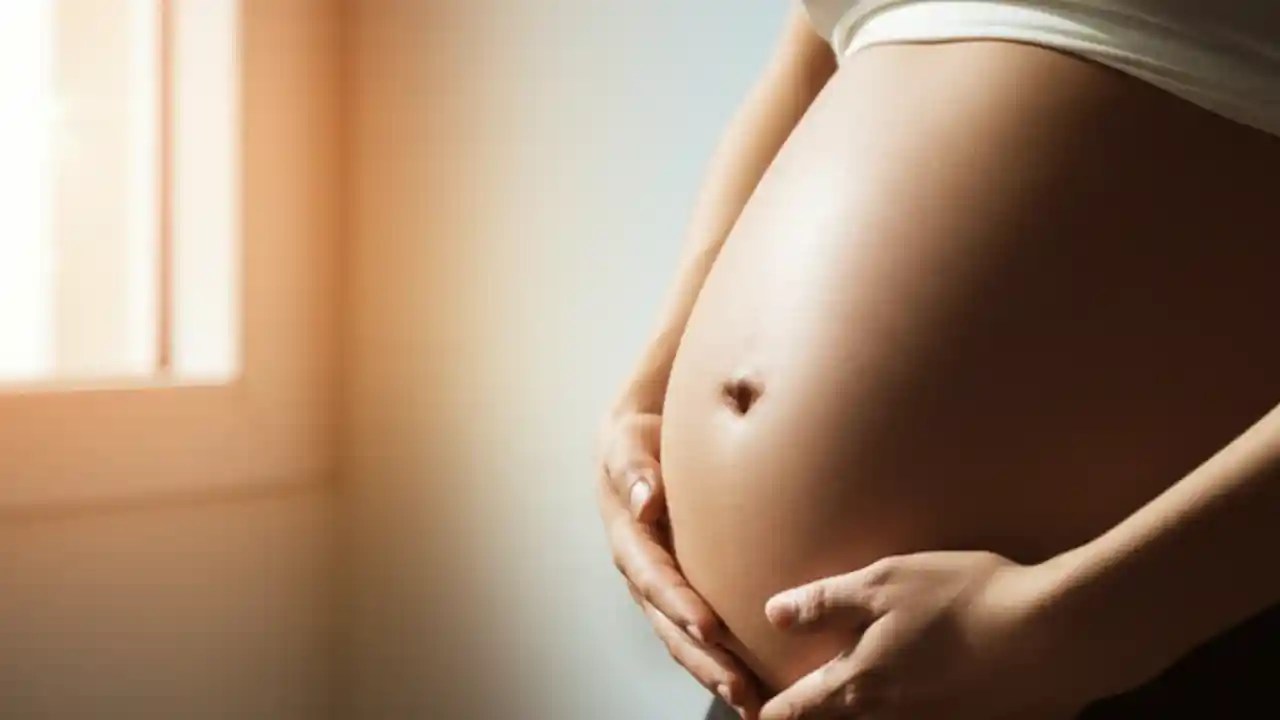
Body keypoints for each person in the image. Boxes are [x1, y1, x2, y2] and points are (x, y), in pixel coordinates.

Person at [596, 2, 1280, 718]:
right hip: (782, 682)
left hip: (1122, 643)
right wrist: (654, 386)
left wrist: (1078, 627)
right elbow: (816, 57)